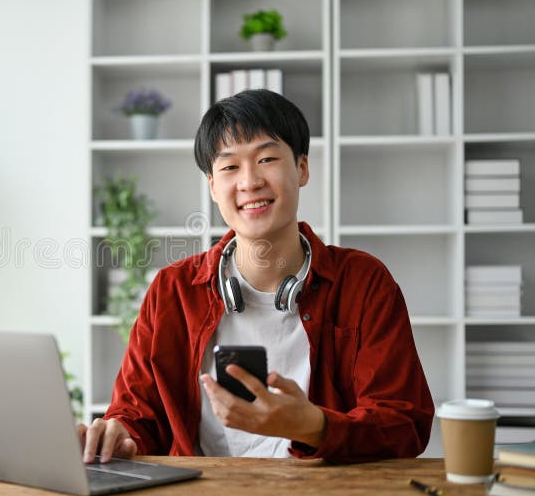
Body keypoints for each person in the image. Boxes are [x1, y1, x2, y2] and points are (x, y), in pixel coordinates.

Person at [77, 89, 434, 464]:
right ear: (213, 186)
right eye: (229, 167)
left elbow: (404, 423)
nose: (249, 182)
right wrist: (119, 434)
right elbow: (137, 415)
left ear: (302, 168)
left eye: (266, 159)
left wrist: (314, 427)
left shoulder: (364, 282)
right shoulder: (173, 290)